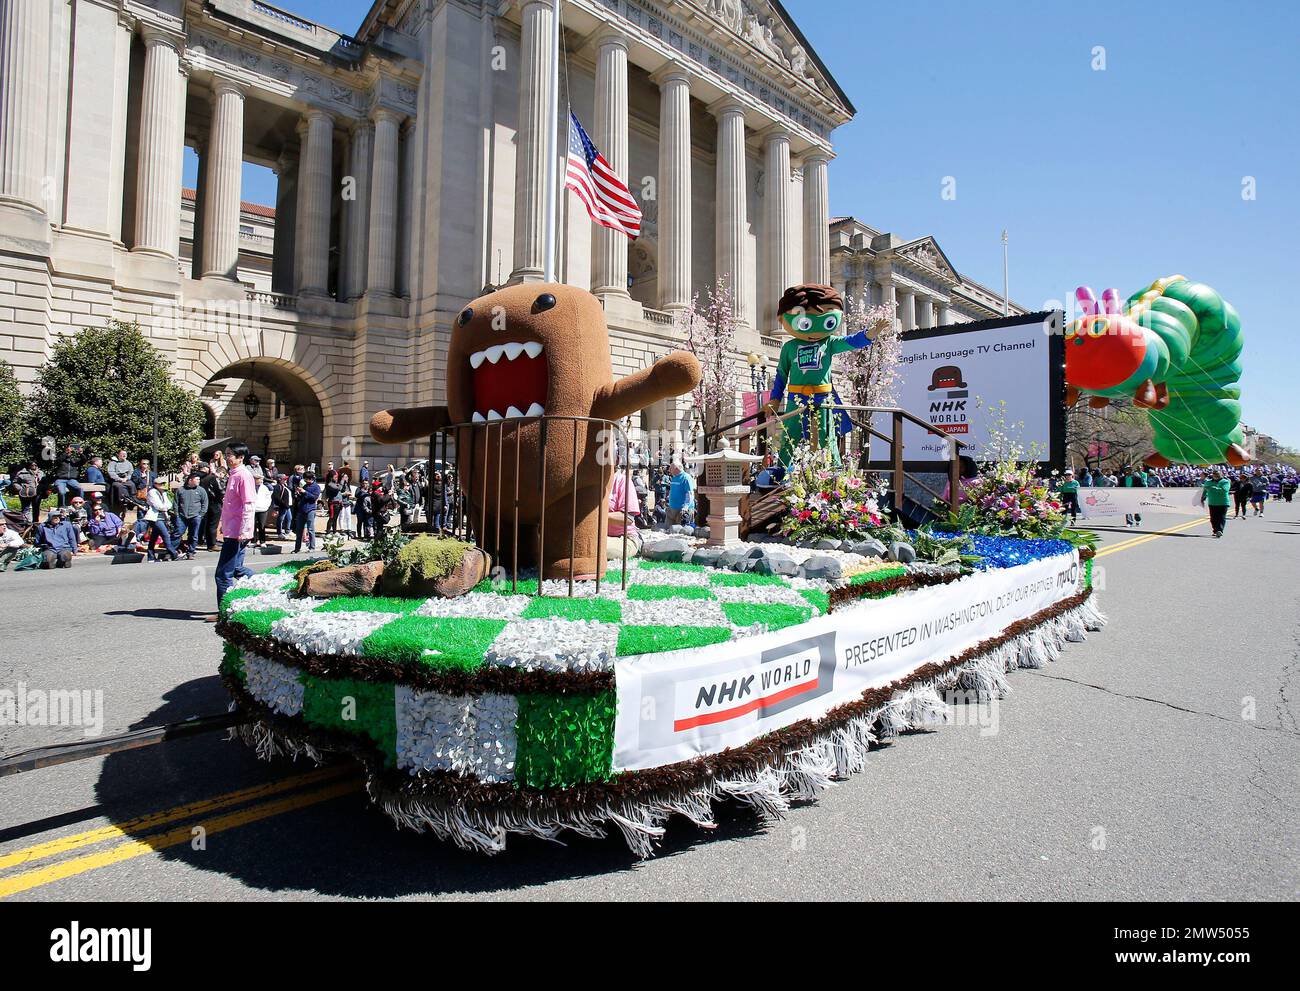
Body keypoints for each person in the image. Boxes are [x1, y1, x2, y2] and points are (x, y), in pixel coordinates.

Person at [212, 442, 256, 618]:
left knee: (223, 574)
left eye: (231, 454)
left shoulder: (243, 476)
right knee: (237, 569)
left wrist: (245, 531)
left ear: (241, 457)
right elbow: (231, 504)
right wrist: (224, 523)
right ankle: (263, 585)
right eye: (227, 454)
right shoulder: (234, 474)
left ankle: (224, 612)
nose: (227, 457)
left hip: (238, 533)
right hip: (233, 529)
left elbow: (249, 504)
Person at [607, 468, 643, 561]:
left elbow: (628, 518)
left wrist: (595, 516)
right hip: (598, 536)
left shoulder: (621, 480)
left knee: (590, 546)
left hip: (624, 538)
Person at [143, 476, 180, 561]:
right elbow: (158, 506)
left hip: (163, 517)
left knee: (154, 537)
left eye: (163, 483)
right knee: (165, 534)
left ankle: (151, 556)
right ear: (155, 484)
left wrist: (164, 506)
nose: (162, 485)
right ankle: (174, 554)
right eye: (160, 484)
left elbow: (169, 504)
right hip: (155, 518)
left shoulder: (164, 492)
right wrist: (164, 507)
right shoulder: (152, 492)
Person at [175, 471, 208, 558]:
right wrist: (177, 514)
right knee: (178, 533)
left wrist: (201, 514)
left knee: (193, 535)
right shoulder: (181, 490)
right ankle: (172, 551)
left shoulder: (201, 490)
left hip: (195, 516)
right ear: (190, 480)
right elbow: (176, 503)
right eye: (197, 479)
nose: (198, 481)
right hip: (182, 516)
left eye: (199, 479)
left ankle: (191, 552)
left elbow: (205, 503)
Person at [199, 462, 225, 551]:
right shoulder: (211, 477)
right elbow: (219, 490)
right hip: (214, 502)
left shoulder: (196, 478)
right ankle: (212, 544)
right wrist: (222, 497)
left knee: (205, 524)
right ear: (206, 468)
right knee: (213, 524)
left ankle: (202, 540)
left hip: (202, 503)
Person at [293, 471, 321, 552]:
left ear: (310, 479)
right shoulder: (305, 486)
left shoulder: (316, 487)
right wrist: (298, 493)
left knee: (311, 529)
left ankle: (312, 547)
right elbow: (302, 497)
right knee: (299, 530)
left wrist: (305, 492)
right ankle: (297, 548)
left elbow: (314, 497)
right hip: (302, 510)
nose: (305, 481)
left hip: (310, 510)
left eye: (306, 479)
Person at [1200, 469, 1231, 538]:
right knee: (1213, 518)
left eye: (1217, 474)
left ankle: (1220, 530)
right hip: (1212, 502)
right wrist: (1202, 497)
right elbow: (1205, 490)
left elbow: (1224, 490)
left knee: (1221, 517)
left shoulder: (1225, 482)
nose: (1216, 475)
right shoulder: (1208, 482)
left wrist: (1213, 488)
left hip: (1223, 502)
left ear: (1221, 474)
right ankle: (1215, 530)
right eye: (1214, 474)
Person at [666, 462, 695, 527]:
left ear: (676, 469)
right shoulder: (674, 477)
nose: (669, 470)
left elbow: (690, 494)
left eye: (671, 468)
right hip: (672, 508)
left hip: (681, 510)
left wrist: (685, 507)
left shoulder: (686, 477)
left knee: (680, 532)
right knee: (668, 531)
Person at [252, 473, 272, 546]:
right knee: (252, 526)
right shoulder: (250, 487)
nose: (260, 481)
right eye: (258, 479)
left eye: (261, 479)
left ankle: (262, 541)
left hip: (262, 509)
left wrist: (266, 506)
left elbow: (268, 498)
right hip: (253, 509)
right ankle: (253, 541)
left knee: (262, 526)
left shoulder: (265, 488)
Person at [272, 473, 293, 538]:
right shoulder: (278, 486)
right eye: (284, 479)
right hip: (283, 506)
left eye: (286, 479)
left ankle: (287, 531)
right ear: (279, 479)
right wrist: (283, 503)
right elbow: (276, 497)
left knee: (289, 518)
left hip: (287, 506)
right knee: (281, 519)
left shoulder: (284, 485)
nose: (285, 480)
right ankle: (279, 533)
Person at [323, 470, 342, 534]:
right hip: (333, 504)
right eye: (335, 477)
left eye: (337, 477)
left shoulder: (335, 483)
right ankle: (328, 532)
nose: (337, 479)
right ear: (331, 477)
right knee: (331, 518)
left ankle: (334, 531)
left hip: (338, 503)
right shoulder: (330, 484)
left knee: (335, 518)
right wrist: (342, 481)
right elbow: (338, 488)